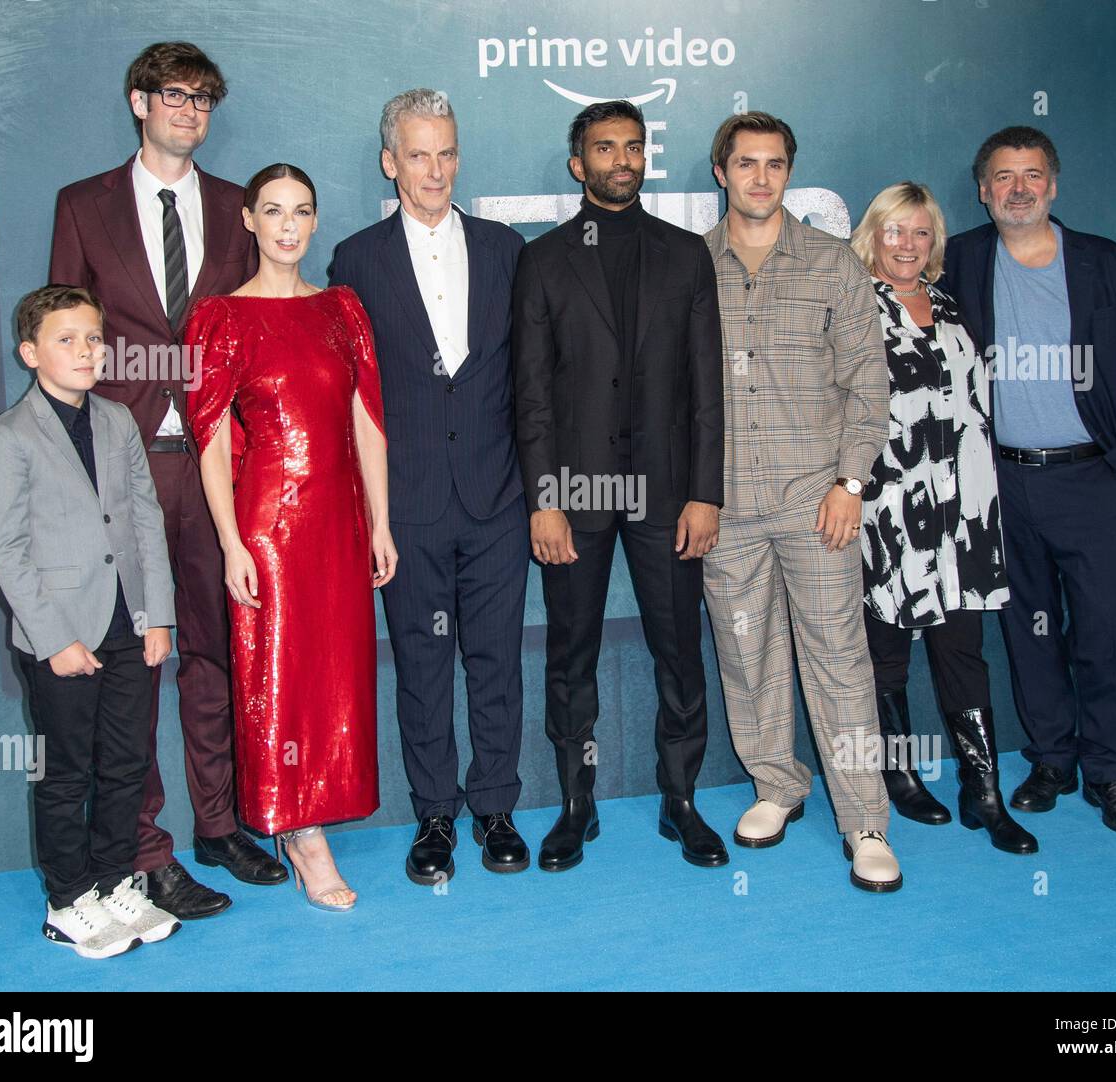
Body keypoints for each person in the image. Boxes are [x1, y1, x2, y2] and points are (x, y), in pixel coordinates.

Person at [48, 41, 283, 919]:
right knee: (138, 661)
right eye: (174, 95)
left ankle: (221, 823)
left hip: (225, 469)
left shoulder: (236, 208)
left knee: (218, 653)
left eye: (204, 100)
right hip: (127, 471)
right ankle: (146, 851)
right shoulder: (84, 206)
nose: (190, 111)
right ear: (139, 101)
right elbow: (66, 329)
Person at [512, 100, 728, 871]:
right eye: (605, 148)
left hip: (670, 494)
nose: (622, 160)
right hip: (576, 491)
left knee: (679, 648)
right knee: (572, 651)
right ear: (579, 164)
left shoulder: (685, 254)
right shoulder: (541, 261)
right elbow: (531, 397)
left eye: (633, 147)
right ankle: (577, 805)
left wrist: (706, 493)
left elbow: (708, 387)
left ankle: (682, 800)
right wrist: (545, 500)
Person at [943, 126, 1116, 834]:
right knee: (1027, 631)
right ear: (983, 191)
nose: (1018, 188)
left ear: (1054, 184)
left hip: (1094, 483)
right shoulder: (960, 261)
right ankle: (1051, 761)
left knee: (1103, 633)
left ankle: (1110, 773)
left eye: (1031, 175)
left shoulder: (1110, 265)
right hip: (1004, 484)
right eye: (1003, 177)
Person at [330, 89, 530, 886]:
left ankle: (496, 807)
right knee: (421, 663)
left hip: (496, 496)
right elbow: (354, 397)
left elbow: (531, 378)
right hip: (406, 502)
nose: (435, 169)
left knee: (496, 661)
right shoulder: (355, 260)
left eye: (447, 152)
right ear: (391, 163)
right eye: (419, 154)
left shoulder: (507, 247)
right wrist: (373, 512)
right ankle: (436, 815)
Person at [699, 112, 900, 891]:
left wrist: (852, 483)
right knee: (746, 658)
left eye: (775, 164)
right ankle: (777, 786)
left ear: (790, 173)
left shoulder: (831, 264)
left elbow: (868, 382)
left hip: (819, 502)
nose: (760, 178)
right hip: (726, 507)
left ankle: (866, 822)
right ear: (722, 173)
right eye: (745, 164)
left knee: (841, 663)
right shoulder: (692, 265)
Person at [185, 164, 394, 911]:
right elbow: (209, 442)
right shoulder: (221, 318)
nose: (287, 225)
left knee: (334, 671)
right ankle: (303, 836)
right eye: (272, 211)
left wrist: (382, 520)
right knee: (277, 675)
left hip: (339, 522)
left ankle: (314, 813)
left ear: (313, 221)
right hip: (269, 525)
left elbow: (367, 421)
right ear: (248, 220)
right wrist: (233, 544)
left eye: (301, 211)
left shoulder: (343, 308)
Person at [0, 285, 180, 957]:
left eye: (94, 337)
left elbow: (145, 517)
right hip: (59, 634)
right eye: (67, 339)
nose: (86, 350)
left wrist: (159, 617)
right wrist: (52, 638)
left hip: (129, 624)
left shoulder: (118, 420)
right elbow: (5, 549)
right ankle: (68, 900)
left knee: (126, 763)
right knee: (67, 773)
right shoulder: (9, 436)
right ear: (30, 352)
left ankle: (117, 881)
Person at [850, 181, 1036, 854]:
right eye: (895, 231)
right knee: (887, 653)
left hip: (966, 508)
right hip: (890, 503)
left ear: (935, 242)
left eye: (921, 232)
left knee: (963, 649)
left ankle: (980, 789)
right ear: (872, 237)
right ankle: (897, 774)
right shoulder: (852, 306)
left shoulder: (953, 303)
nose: (908, 244)